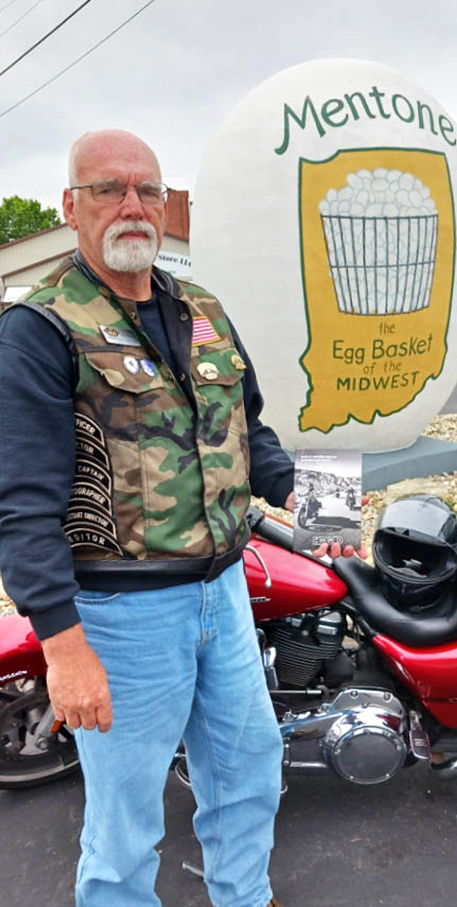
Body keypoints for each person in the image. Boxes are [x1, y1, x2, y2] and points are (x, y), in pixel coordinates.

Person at [0, 129, 363, 907]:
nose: (132, 205)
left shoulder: (204, 310)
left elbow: (249, 432)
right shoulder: (41, 328)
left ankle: (245, 897)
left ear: (165, 207)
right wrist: (64, 648)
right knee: (125, 821)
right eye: (108, 189)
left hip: (224, 592)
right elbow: (21, 504)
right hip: (120, 613)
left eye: (148, 190)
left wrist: (325, 508)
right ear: (71, 206)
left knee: (248, 771)